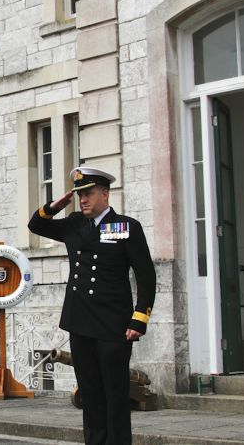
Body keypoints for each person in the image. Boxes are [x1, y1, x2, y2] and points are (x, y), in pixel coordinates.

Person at [28, 167, 156, 445]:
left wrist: (138, 320)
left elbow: (146, 276)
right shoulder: (74, 224)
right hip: (80, 321)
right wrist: (54, 206)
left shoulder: (126, 227)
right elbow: (36, 226)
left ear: (105, 194)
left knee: (115, 394)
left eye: (88, 194)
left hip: (113, 325)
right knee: (90, 393)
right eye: (79, 195)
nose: (82, 199)